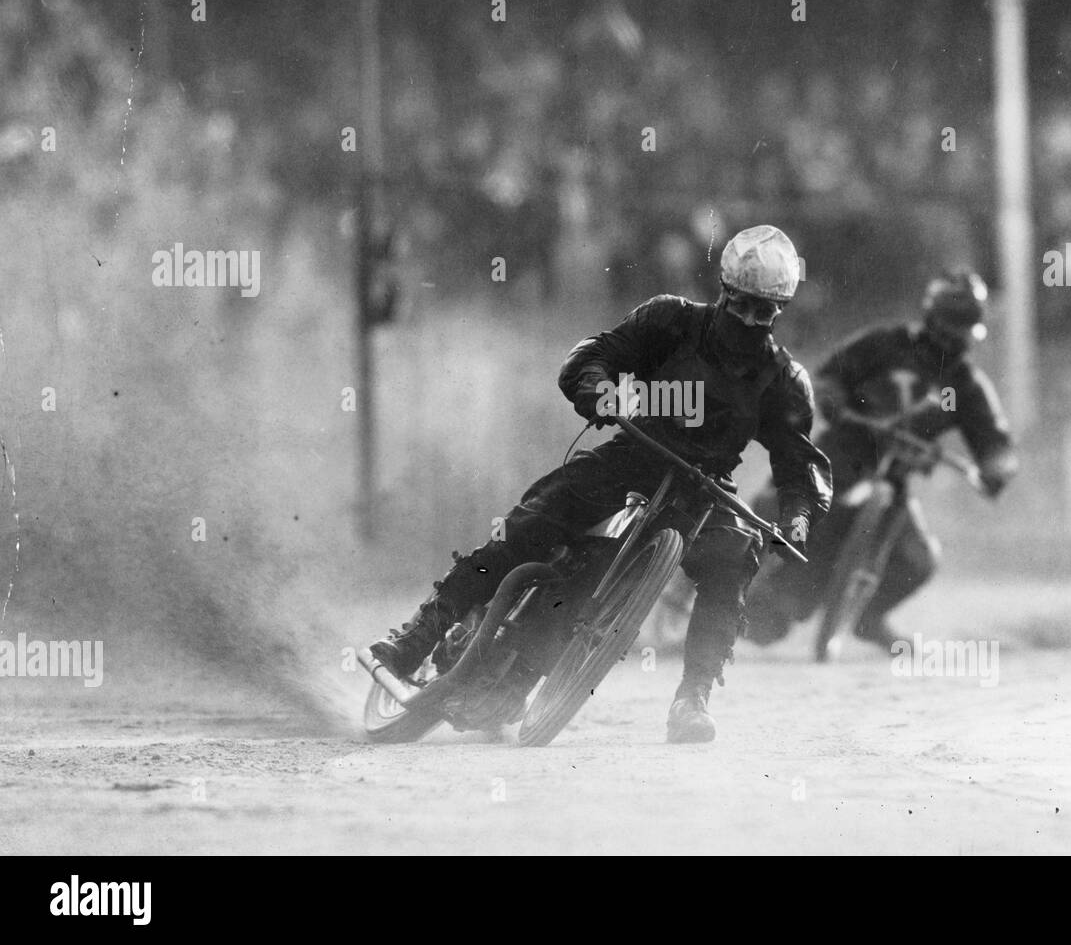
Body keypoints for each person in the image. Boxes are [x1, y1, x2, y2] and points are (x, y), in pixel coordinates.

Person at [369, 225, 832, 743]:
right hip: (633, 454)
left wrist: (798, 518)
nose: (749, 319)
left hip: (703, 491)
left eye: (763, 311)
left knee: (732, 563)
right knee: (532, 522)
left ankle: (692, 698)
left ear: (779, 311)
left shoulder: (784, 380)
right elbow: (596, 352)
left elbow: (800, 465)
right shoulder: (670, 320)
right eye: (742, 304)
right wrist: (597, 387)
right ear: (724, 291)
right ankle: (424, 629)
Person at [746, 270, 1018, 649]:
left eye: (961, 329)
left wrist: (996, 470)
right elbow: (827, 379)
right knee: (778, 506)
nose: (951, 338)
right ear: (930, 317)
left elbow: (996, 444)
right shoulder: (882, 344)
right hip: (839, 455)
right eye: (948, 325)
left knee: (919, 560)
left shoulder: (967, 385)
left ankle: (865, 616)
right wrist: (833, 403)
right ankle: (721, 582)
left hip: (893, 483)